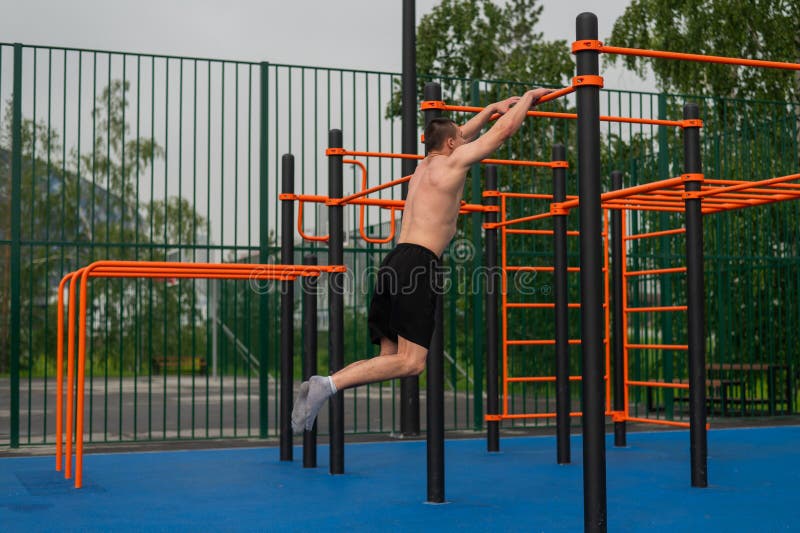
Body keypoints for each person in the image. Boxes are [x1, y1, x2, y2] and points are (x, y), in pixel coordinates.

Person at [292, 87, 553, 433]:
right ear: (450, 145)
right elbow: (501, 134)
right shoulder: (453, 162)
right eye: (459, 139)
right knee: (412, 363)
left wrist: (491, 107)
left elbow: (460, 134)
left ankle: (325, 385)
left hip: (394, 261)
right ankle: (326, 385)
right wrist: (527, 99)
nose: (463, 140)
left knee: (389, 360)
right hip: (419, 264)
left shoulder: (422, 168)